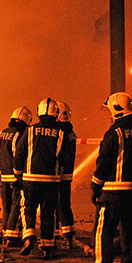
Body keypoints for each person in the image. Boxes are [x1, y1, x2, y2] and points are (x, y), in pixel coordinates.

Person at [90, 92, 132, 263]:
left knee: (104, 231)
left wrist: (95, 186)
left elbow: (104, 162)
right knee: (131, 232)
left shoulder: (114, 134)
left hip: (113, 193)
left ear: (116, 110)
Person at [17, 99, 64, 258]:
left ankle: (29, 236)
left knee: (27, 208)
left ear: (39, 112)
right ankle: (48, 246)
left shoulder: (30, 131)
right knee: (48, 213)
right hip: (51, 181)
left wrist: (17, 173)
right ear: (55, 113)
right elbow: (64, 158)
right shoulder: (60, 133)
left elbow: (20, 153)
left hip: (30, 179)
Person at [0, 107, 33, 248]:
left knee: (6, 205)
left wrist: (2, 170)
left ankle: (5, 233)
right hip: (16, 176)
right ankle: (11, 236)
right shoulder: (21, 134)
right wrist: (19, 174)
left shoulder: (1, 133)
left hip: (4, 175)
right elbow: (20, 156)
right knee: (16, 205)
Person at [55, 101, 78, 250]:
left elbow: (57, 153)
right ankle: (68, 233)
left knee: (56, 203)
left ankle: (59, 233)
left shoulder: (60, 133)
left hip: (58, 173)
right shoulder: (71, 132)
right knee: (64, 203)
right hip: (67, 173)